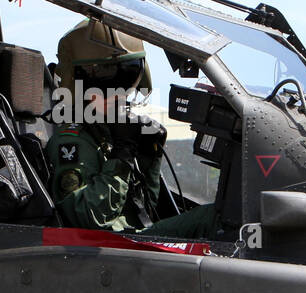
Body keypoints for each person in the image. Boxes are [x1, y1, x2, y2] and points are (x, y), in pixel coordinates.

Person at [46, 19, 221, 239]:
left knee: (222, 214)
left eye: (128, 78)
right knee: (214, 218)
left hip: (134, 238)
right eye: (105, 84)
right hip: (112, 246)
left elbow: (144, 207)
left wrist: (150, 156)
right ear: (77, 84)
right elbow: (89, 220)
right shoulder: (73, 141)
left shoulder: (112, 132)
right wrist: (122, 156)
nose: (118, 95)